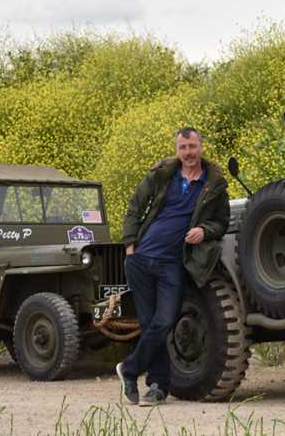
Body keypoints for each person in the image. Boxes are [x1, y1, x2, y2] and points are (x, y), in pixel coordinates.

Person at [116, 127, 230, 407]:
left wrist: (205, 230)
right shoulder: (162, 174)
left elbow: (222, 222)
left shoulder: (214, 184)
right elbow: (134, 206)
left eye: (192, 147)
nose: (188, 153)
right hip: (141, 259)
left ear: (201, 147)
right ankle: (157, 387)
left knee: (164, 322)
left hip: (173, 263)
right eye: (183, 148)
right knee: (148, 324)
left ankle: (129, 369)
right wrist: (130, 246)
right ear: (177, 150)